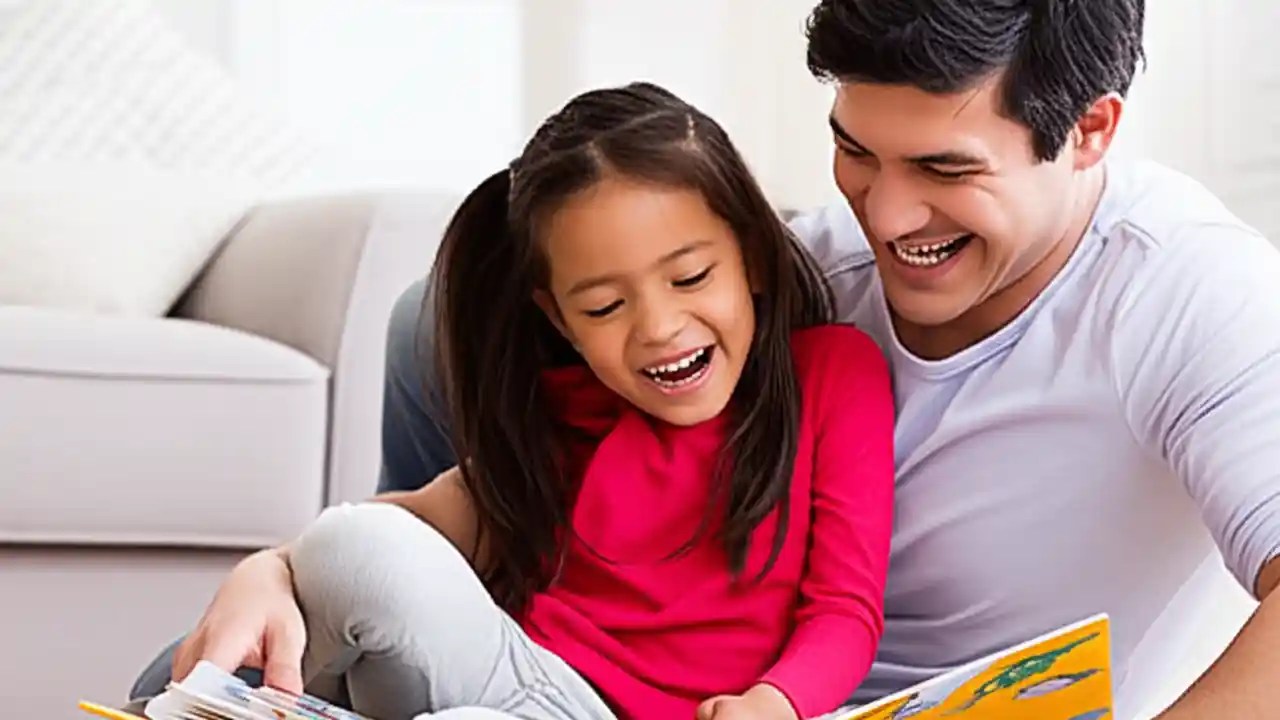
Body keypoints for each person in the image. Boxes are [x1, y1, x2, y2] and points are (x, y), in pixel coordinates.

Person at [133, 0, 1280, 718]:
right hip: (619, 673)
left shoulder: (1188, 291)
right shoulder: (796, 280)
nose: (885, 216)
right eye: (853, 150)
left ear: (1088, 130)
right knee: (431, 320)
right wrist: (282, 568)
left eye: (943, 169)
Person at [133, 83, 896, 720]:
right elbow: (387, 536)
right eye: (604, 307)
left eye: (691, 278)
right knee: (347, 555)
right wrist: (267, 569)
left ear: (753, 254)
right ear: (559, 317)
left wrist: (775, 704)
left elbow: (845, 609)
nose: (660, 328)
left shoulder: (831, 375)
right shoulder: (559, 414)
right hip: (522, 679)